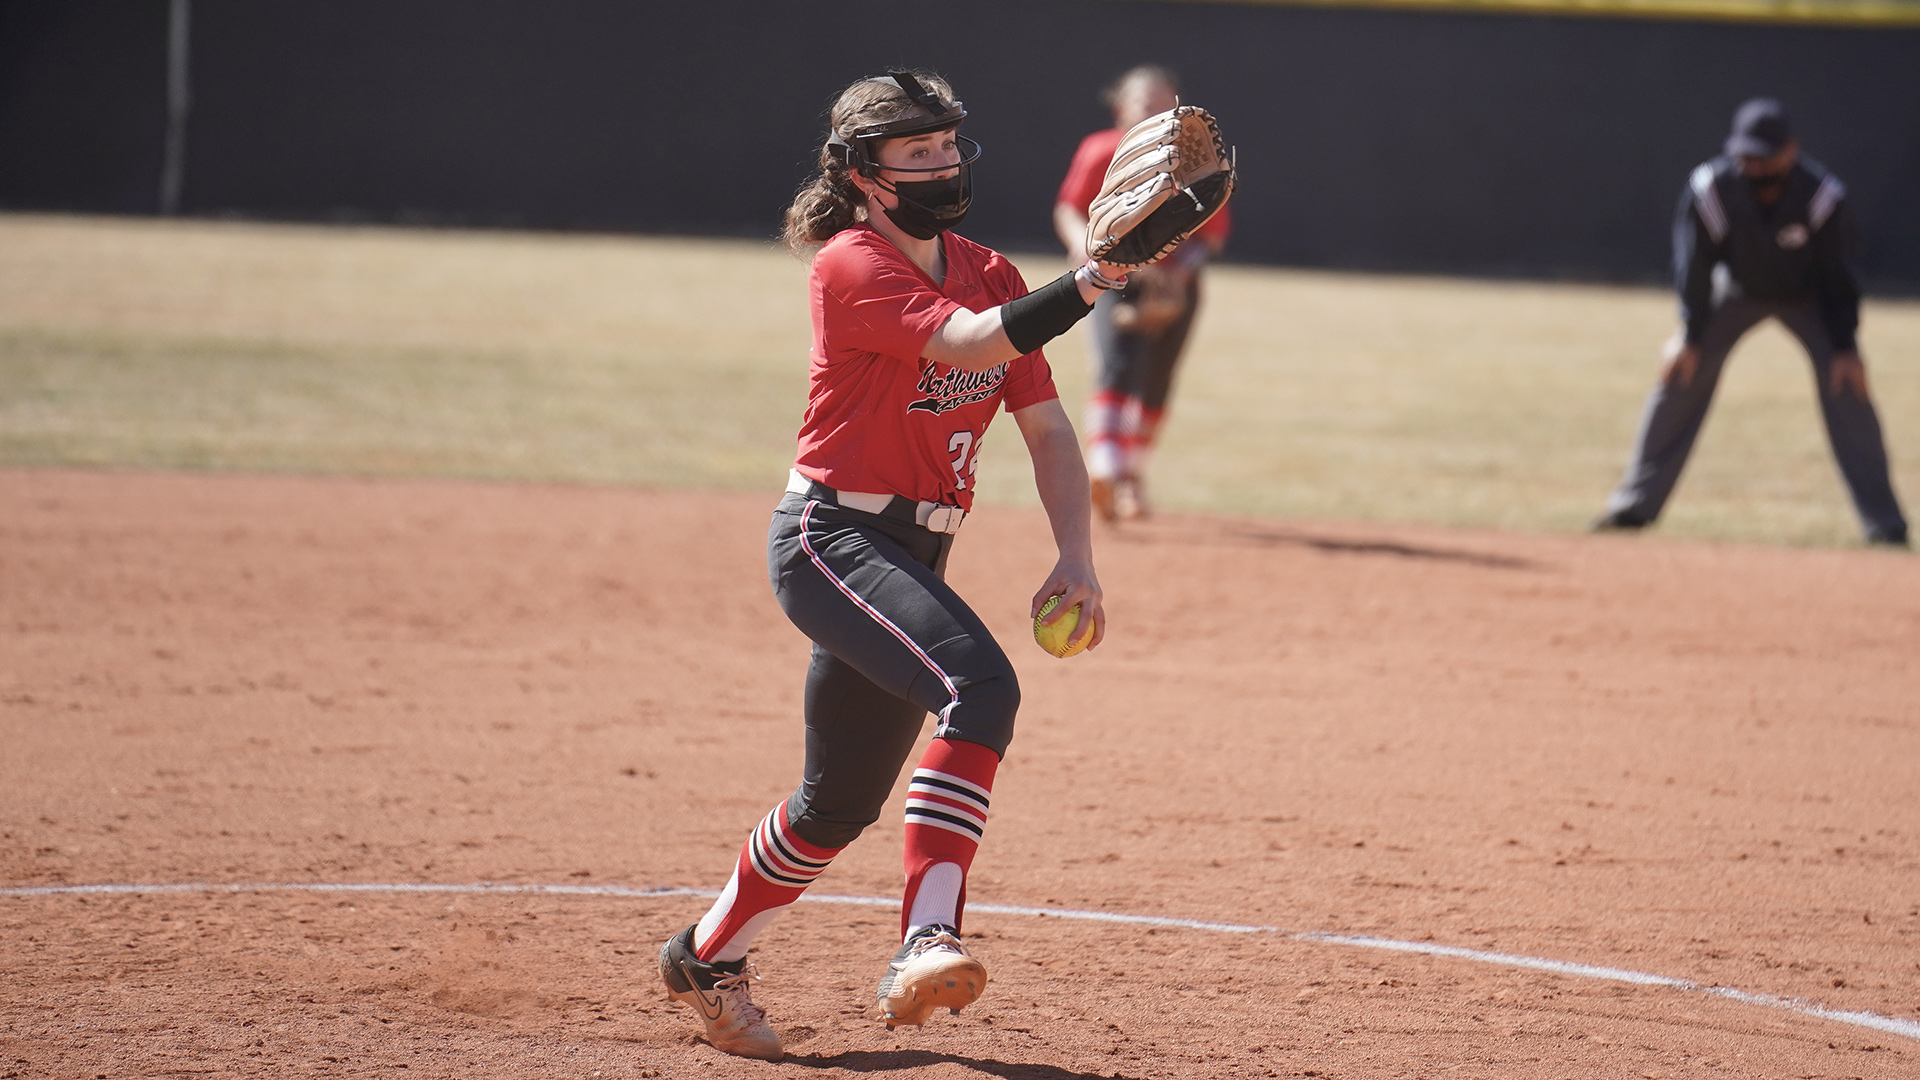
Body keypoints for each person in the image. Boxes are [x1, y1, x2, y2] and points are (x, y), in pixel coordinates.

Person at [656, 70, 1129, 1061]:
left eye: (949, 146)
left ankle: (706, 955)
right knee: (980, 688)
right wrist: (1088, 280)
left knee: (838, 802)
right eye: (916, 153)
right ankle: (927, 936)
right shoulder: (850, 262)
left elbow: (1044, 429)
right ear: (863, 174)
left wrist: (1075, 552)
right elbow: (963, 340)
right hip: (831, 540)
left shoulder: (993, 270)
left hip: (916, 547)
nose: (941, 165)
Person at [1594, 98, 1907, 546]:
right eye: (1747, 157)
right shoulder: (1711, 190)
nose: (1757, 167)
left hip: (1809, 299)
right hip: (1736, 291)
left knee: (1848, 384)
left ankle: (1885, 527)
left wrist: (1845, 346)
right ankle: (1632, 508)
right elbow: (1694, 266)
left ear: (1791, 151)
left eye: (1766, 156)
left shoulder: (1821, 197)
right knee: (1682, 372)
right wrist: (1689, 332)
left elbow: (1839, 274)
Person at [1055, 65, 1231, 522]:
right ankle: (1107, 471)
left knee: (1156, 380)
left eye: (1164, 103)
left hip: (1176, 280)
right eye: (1143, 103)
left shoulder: (1194, 155)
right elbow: (1069, 208)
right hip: (1112, 274)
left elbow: (1210, 236)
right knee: (1115, 366)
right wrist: (1080, 242)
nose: (1154, 111)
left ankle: (1130, 475)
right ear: (1121, 109)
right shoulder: (1101, 149)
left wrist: (1177, 275)